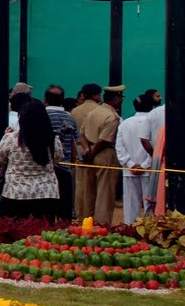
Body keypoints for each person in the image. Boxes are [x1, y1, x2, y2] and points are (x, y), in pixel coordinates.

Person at [0, 99, 62, 221]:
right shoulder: (53, 140)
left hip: (16, 192)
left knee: (14, 230)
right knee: (44, 230)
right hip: (47, 192)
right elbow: (57, 158)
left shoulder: (11, 138)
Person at [76, 86, 124, 225]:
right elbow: (104, 140)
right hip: (104, 154)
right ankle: (101, 225)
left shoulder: (93, 112)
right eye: (120, 98)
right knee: (105, 192)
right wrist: (93, 152)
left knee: (88, 191)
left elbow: (81, 134)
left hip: (88, 154)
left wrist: (87, 151)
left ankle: (86, 222)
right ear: (116, 99)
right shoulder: (112, 117)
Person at [117, 92, 157, 225]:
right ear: (152, 106)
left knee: (130, 204)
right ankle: (150, 230)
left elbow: (119, 147)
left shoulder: (125, 123)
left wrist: (130, 164)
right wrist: (144, 165)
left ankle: (130, 229)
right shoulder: (153, 123)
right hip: (150, 169)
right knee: (150, 203)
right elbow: (155, 147)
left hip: (129, 170)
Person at [43, 85, 78, 219]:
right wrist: (72, 166)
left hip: (46, 169)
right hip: (65, 168)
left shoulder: (42, 115)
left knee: (47, 212)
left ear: (45, 99)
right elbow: (74, 144)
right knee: (65, 211)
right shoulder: (70, 118)